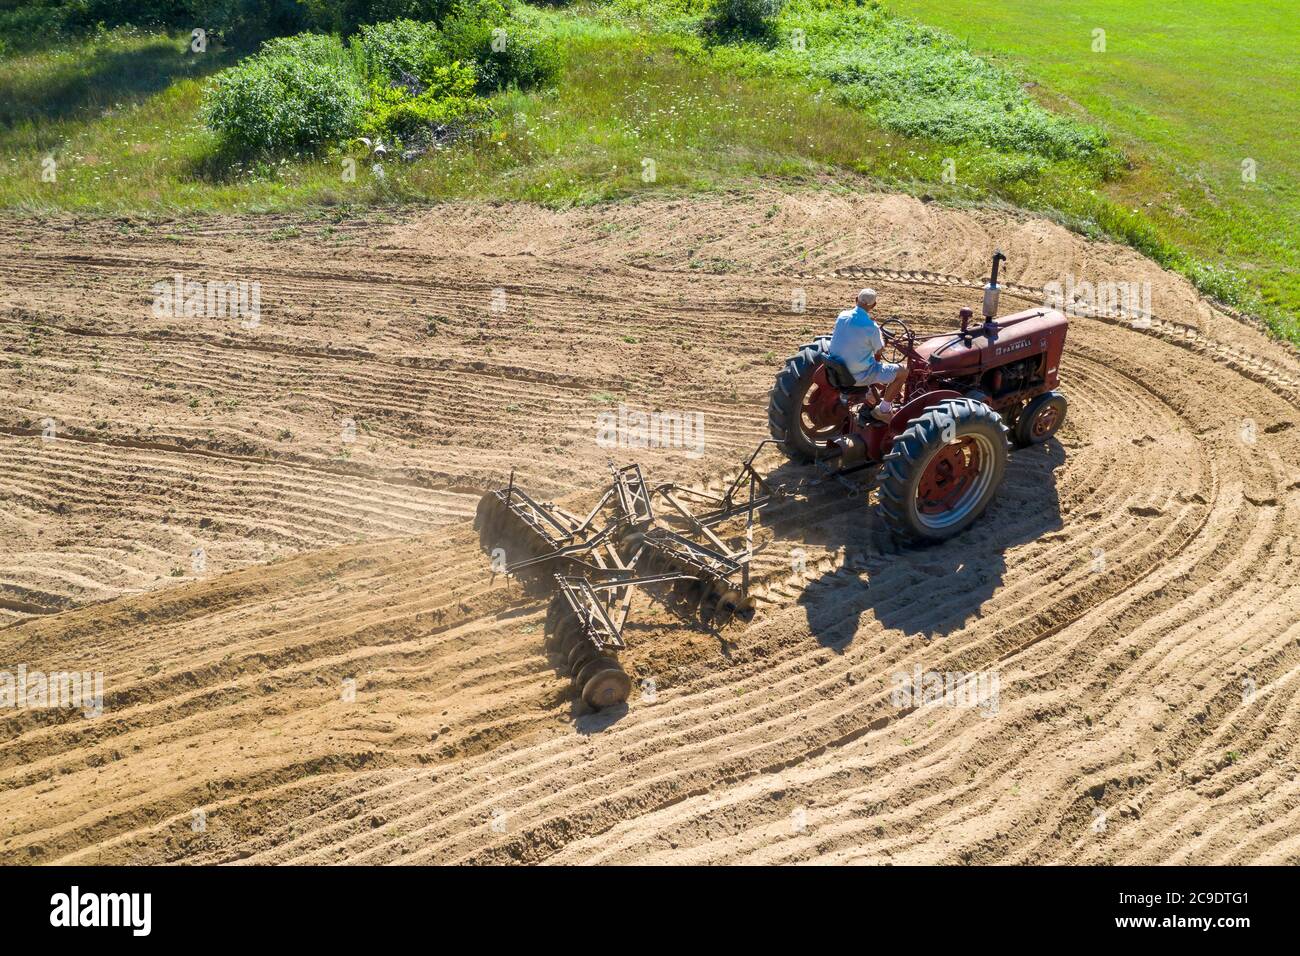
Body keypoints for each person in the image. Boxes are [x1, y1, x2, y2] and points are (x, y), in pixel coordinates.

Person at [827, 288, 906, 422]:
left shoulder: (842, 316)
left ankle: (870, 394)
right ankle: (884, 410)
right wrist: (881, 338)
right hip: (859, 376)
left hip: (837, 370)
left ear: (856, 300)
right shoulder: (872, 327)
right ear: (874, 305)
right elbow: (879, 351)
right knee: (903, 372)